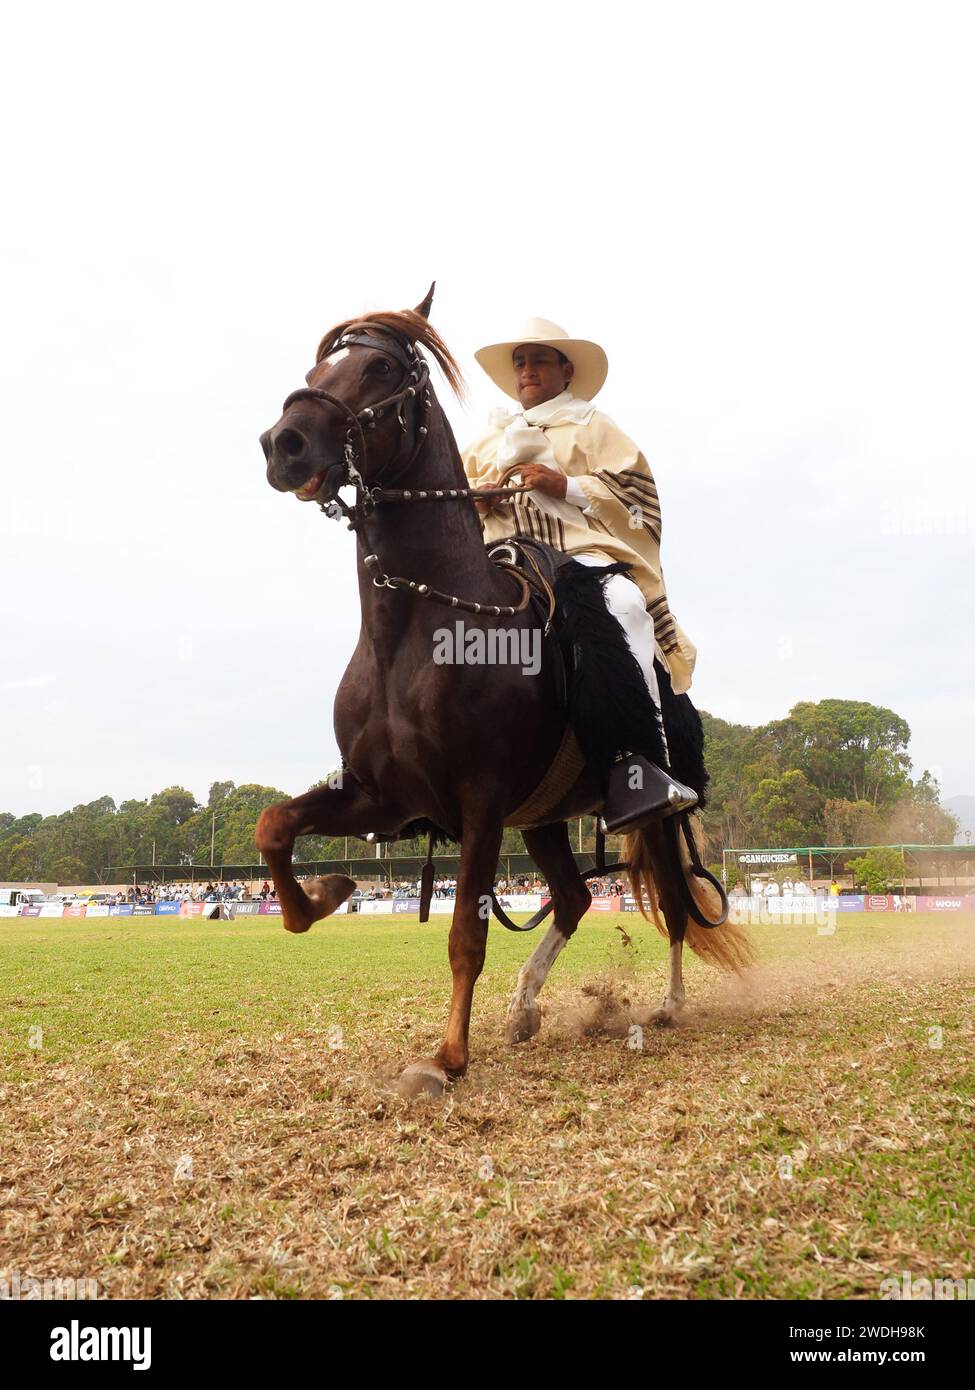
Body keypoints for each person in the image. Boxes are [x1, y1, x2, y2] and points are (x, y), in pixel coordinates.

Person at [463, 318, 698, 827]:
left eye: (539, 359)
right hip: (502, 558)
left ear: (565, 370)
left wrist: (565, 485)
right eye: (520, 361)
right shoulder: (485, 441)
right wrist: (475, 504)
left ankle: (643, 762)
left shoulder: (593, 425)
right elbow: (451, 505)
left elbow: (641, 503)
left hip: (579, 553)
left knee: (624, 603)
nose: (527, 369)